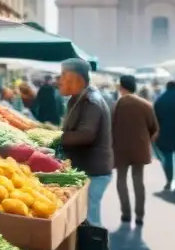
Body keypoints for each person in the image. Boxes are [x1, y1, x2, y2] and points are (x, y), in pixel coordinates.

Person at [58, 59, 113, 226]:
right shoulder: (78, 98)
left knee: (90, 220)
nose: (60, 80)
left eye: (64, 76)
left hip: (94, 172)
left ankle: (96, 244)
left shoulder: (91, 101)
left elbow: (86, 135)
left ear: (77, 78)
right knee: (84, 219)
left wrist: (56, 137)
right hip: (86, 169)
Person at [111, 75, 158, 225]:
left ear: (121, 87)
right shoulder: (145, 105)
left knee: (121, 179)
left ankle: (126, 214)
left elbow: (109, 127)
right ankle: (139, 216)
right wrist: (146, 141)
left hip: (120, 149)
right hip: (140, 148)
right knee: (138, 181)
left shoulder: (116, 105)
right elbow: (154, 127)